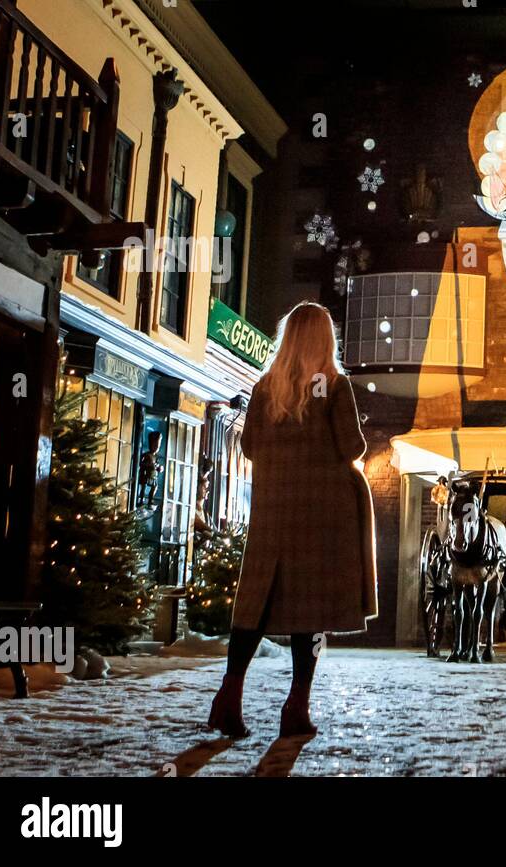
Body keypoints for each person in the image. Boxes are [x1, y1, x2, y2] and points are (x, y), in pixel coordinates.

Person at [207, 302, 377, 738]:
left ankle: (229, 697)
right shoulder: (334, 386)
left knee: (254, 604)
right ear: (325, 339)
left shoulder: (267, 386)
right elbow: (351, 447)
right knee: (310, 612)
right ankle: (295, 708)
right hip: (322, 515)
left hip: (273, 511)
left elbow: (248, 446)